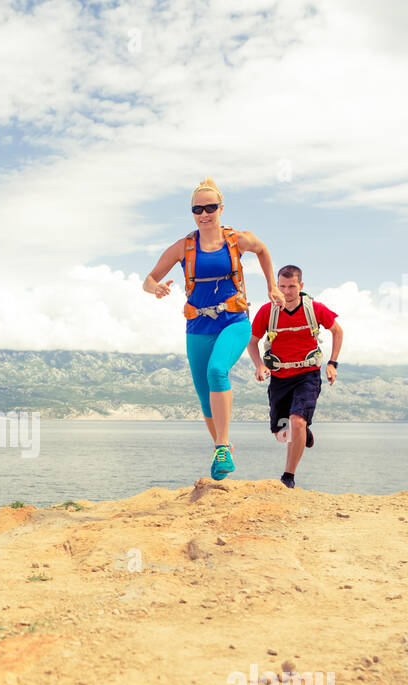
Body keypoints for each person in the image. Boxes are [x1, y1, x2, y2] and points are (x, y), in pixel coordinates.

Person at [142, 178, 285, 480]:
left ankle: (221, 446)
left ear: (221, 208)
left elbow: (262, 249)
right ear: (192, 212)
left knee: (217, 370)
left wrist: (272, 285)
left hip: (234, 321)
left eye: (210, 207)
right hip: (198, 326)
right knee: (205, 397)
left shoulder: (237, 240)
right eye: (197, 209)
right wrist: (155, 289)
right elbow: (149, 279)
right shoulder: (184, 246)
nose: (204, 214)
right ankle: (224, 449)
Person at [246, 265, 344, 489]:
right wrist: (259, 365)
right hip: (280, 377)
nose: (287, 291)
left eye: (291, 286)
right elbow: (252, 341)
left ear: (301, 286)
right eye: (282, 286)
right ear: (275, 287)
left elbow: (337, 331)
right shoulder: (267, 312)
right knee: (282, 434)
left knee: (296, 421)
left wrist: (332, 363)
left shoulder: (315, 309)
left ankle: (288, 477)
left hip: (307, 375)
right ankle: (302, 430)